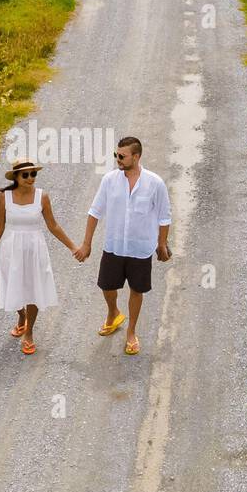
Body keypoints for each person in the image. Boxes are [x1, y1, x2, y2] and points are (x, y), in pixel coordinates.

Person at [74, 136, 171, 355]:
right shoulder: (109, 180)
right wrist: (86, 243)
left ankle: (131, 332)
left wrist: (161, 244)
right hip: (114, 246)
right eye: (116, 155)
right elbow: (94, 211)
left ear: (136, 157)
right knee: (107, 286)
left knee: (137, 290)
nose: (118, 159)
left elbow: (164, 217)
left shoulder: (155, 183)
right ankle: (113, 313)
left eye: (122, 156)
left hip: (141, 249)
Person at [0, 159, 78, 355]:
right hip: (11, 249)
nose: (30, 178)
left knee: (33, 288)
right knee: (13, 286)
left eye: (33, 174)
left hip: (34, 249)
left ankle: (29, 333)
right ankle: (22, 316)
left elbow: (53, 226)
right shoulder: (5, 197)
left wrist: (72, 247)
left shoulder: (42, 197)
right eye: (25, 175)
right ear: (16, 177)